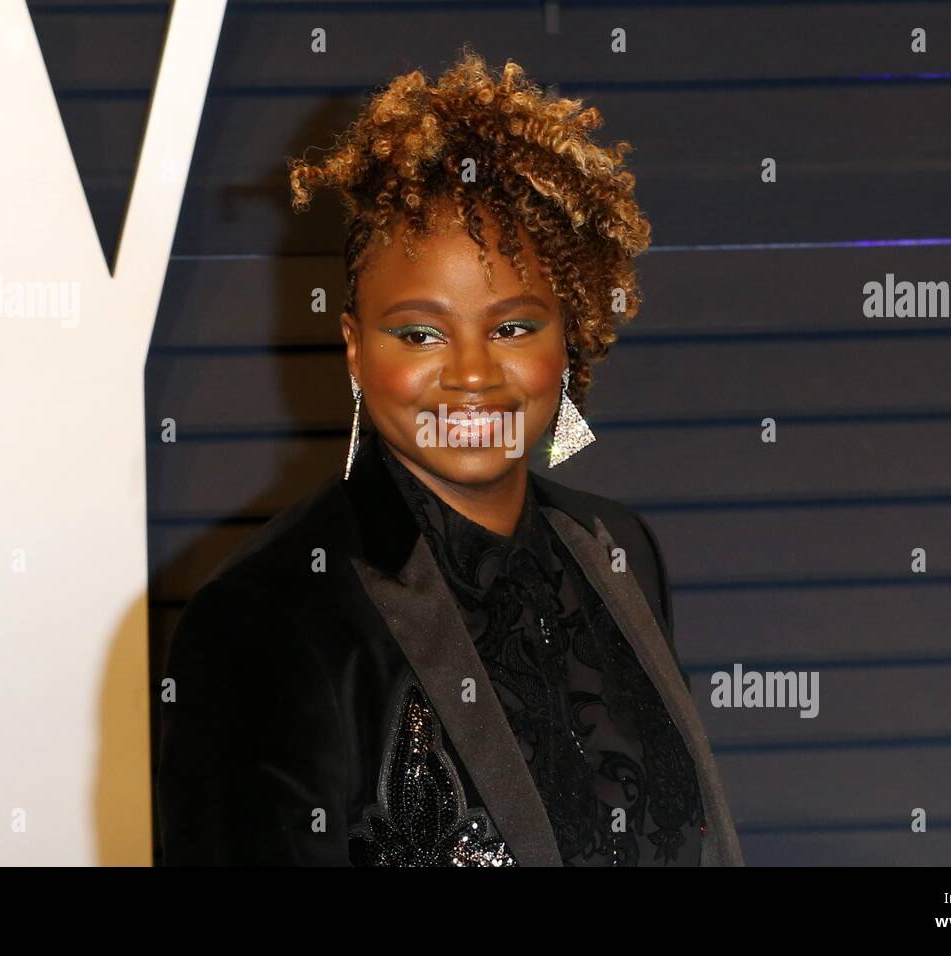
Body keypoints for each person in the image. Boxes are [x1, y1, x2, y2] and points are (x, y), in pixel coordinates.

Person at [156, 47, 743, 867]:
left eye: (511, 326)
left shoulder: (620, 553)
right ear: (356, 350)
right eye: (420, 333)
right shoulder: (267, 620)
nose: (471, 373)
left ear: (568, 339)